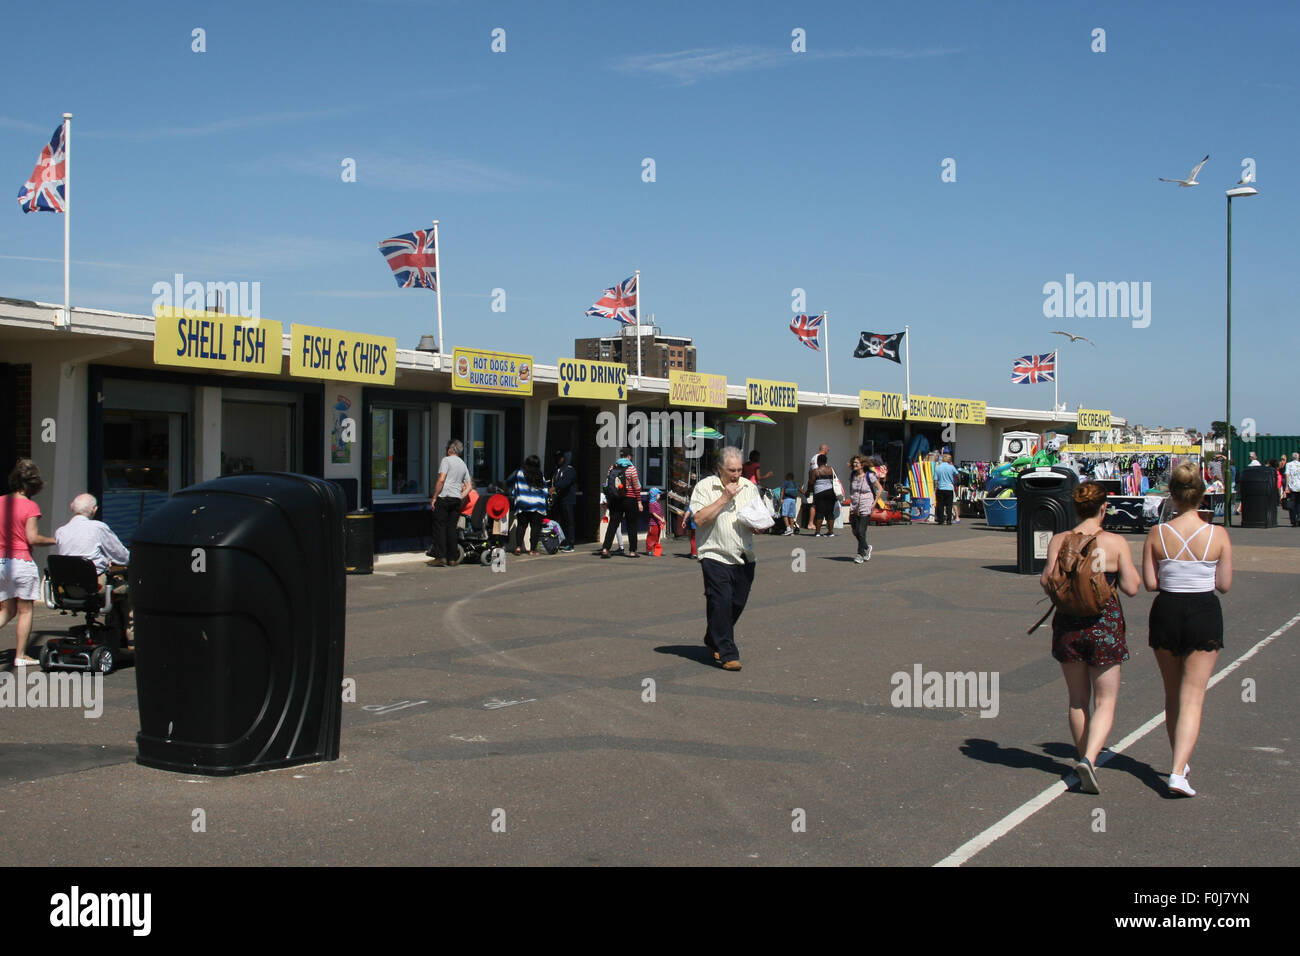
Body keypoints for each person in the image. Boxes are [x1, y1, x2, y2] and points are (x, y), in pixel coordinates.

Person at [1039, 482, 1141, 794]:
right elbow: (1133, 587)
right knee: (1106, 699)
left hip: (1069, 624)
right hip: (1104, 624)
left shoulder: (1060, 540)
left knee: (1077, 699)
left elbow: (1046, 580)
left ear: (1075, 508)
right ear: (1103, 508)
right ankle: (1090, 758)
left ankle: (1084, 757)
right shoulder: (1115, 541)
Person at [1142, 463, 1233, 797]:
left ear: (1172, 495)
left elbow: (1151, 583)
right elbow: (1224, 584)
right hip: (1203, 611)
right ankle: (1178, 771)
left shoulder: (1157, 533)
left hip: (1166, 609)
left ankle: (1178, 760)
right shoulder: (1218, 534)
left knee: (1172, 693)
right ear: (1203, 494)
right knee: (1193, 695)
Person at [691, 447, 760, 671]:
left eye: (740, 470)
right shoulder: (704, 487)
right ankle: (728, 653)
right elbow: (699, 519)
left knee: (736, 603)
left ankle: (713, 638)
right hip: (714, 553)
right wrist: (724, 498)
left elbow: (757, 516)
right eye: (731, 470)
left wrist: (759, 524)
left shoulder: (749, 487)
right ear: (719, 468)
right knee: (721, 600)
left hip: (744, 555)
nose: (736, 475)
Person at [1, 459, 57, 666]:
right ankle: (20, 655)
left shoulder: (0, 501)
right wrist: (55, 539)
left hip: (1, 562)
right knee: (25, 610)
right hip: (20, 563)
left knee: (7, 610)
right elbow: (32, 538)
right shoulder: (30, 506)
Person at [428, 439, 470, 567]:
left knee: (439, 527)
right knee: (452, 528)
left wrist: (434, 497)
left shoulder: (446, 460)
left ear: (450, 449)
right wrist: (459, 495)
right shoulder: (463, 464)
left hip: (444, 497)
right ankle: (452, 558)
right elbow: (469, 486)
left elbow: (441, 480)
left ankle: (440, 557)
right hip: (456, 500)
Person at [600, 451, 642, 558]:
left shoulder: (612, 467)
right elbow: (636, 486)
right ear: (628, 457)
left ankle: (605, 548)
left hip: (615, 500)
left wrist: (608, 499)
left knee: (613, 524)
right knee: (632, 525)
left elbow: (608, 484)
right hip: (630, 499)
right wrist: (639, 501)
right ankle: (632, 551)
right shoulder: (632, 469)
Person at [508, 455, 549, 556]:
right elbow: (545, 491)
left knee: (521, 526)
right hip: (537, 504)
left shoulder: (519, 473)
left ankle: (518, 547)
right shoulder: (540, 474)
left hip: (523, 503)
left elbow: (509, 481)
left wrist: (514, 491)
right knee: (535, 527)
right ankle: (532, 550)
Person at [848, 456, 885, 563]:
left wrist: (874, 503)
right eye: (853, 463)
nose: (854, 465)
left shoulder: (870, 476)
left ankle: (860, 554)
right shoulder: (853, 475)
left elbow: (880, 489)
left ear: (862, 465)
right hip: (855, 505)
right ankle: (866, 547)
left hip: (866, 504)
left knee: (861, 531)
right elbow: (851, 489)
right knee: (855, 531)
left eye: (856, 463)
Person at [550, 451, 577, 551]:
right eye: (557, 458)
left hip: (567, 500)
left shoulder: (570, 470)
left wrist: (555, 487)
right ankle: (560, 540)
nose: (559, 459)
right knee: (557, 522)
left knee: (569, 522)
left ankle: (570, 543)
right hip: (558, 500)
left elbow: (565, 482)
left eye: (561, 457)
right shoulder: (557, 470)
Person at [805, 454, 838, 537]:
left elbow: (811, 482)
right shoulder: (831, 469)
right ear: (826, 461)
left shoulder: (816, 471)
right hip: (831, 493)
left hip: (820, 493)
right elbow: (835, 479)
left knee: (820, 512)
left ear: (818, 461)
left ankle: (818, 532)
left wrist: (808, 491)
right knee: (830, 512)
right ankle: (830, 532)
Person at [806, 443, 830, 529]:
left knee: (816, 502)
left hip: (816, 483)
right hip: (819, 484)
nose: (828, 451)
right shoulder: (818, 458)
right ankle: (811, 523)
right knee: (816, 503)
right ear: (824, 449)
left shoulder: (814, 457)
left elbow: (811, 471)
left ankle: (813, 522)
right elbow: (816, 471)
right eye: (828, 449)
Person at [933, 453, 960, 526]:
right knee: (949, 505)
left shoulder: (938, 467)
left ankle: (941, 520)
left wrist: (935, 487)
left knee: (940, 505)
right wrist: (956, 482)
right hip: (949, 487)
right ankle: (949, 520)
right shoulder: (951, 467)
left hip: (940, 488)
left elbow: (935, 479)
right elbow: (957, 474)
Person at [1285, 453, 1300, 527]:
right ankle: (1299, 519)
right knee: (1299, 504)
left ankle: (1294, 521)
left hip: (1292, 487)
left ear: (1292, 457)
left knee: (1292, 504)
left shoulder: (1289, 464)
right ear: (1298, 457)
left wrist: (1286, 486)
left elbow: (1287, 475)